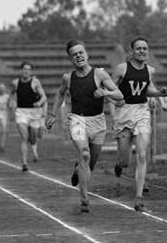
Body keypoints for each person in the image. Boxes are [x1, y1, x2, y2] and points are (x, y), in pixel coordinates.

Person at [49, 40, 124, 212]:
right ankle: (84, 199)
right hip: (77, 119)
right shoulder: (67, 78)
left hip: (98, 122)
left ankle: (78, 170)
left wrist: (105, 92)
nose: (78, 56)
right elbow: (60, 94)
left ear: (86, 54)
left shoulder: (99, 75)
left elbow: (119, 95)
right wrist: (53, 114)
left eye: (81, 52)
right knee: (84, 153)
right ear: (71, 59)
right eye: (74, 54)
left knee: (89, 163)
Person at [111, 37, 167, 211]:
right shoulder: (121, 69)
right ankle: (118, 164)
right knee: (125, 161)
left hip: (142, 112)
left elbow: (148, 89)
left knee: (142, 155)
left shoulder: (149, 70)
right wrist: (113, 102)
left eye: (145, 48)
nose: (142, 51)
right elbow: (111, 88)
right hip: (124, 114)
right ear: (131, 51)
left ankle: (138, 197)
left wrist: (160, 94)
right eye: (138, 49)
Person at [13, 62, 48, 170]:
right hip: (21, 113)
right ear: (21, 70)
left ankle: (34, 149)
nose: (26, 71)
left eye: (28, 69)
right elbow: (13, 95)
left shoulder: (35, 82)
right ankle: (24, 163)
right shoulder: (15, 82)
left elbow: (44, 97)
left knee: (33, 138)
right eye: (24, 69)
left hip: (34, 113)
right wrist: (11, 103)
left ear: (31, 71)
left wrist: (39, 102)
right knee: (24, 137)